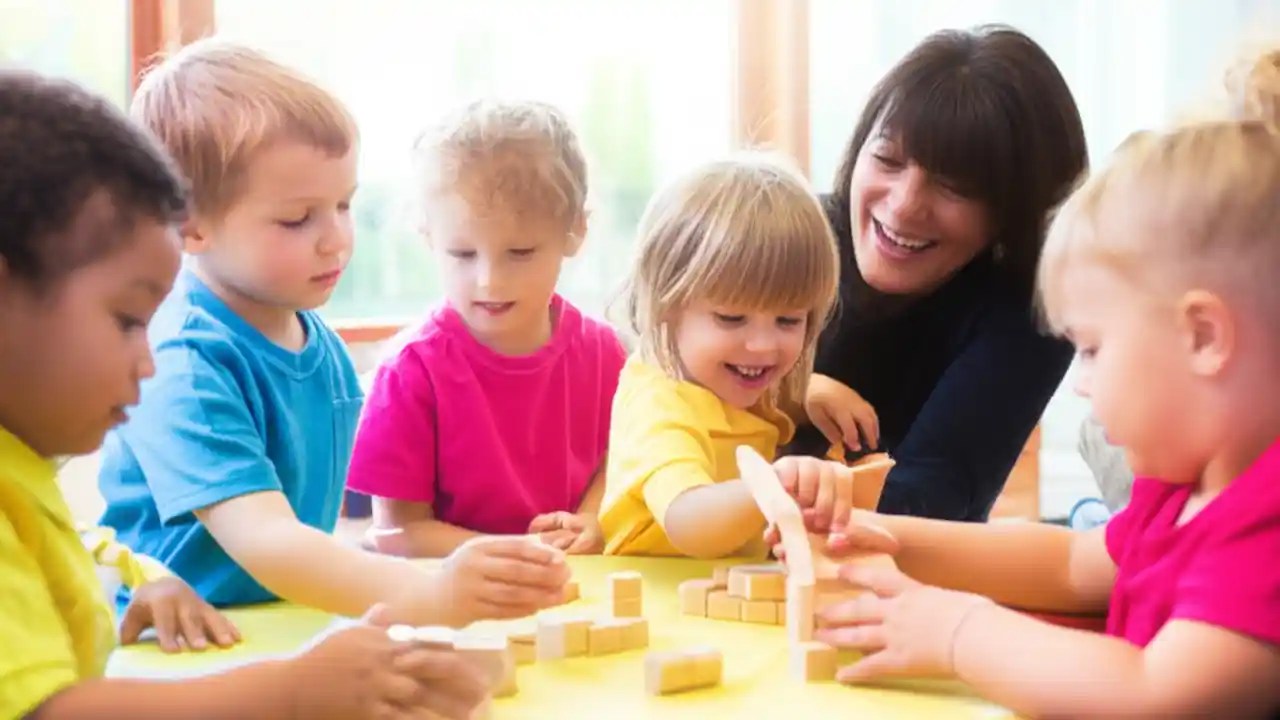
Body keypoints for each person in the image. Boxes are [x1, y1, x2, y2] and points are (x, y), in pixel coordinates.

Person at [791, 48, 1280, 718]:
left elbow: (1159, 692)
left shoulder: (1266, 519)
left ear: (1203, 337)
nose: (1079, 384)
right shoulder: (1181, 495)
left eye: (1093, 349)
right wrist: (883, 534)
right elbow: (1068, 563)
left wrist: (958, 632)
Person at [0, 68, 490, 720]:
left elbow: (70, 554)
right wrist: (291, 694)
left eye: (345, 206)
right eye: (127, 323)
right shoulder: (186, 356)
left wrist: (139, 575)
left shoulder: (24, 476)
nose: (148, 364)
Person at [96, 39, 568, 625]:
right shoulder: (184, 358)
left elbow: (318, 530)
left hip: (280, 619)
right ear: (189, 226)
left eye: (344, 205)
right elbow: (267, 539)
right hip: (177, 638)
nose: (337, 239)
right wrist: (429, 595)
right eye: (298, 219)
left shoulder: (313, 341)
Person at [791, 25, 1088, 520]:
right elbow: (664, 393)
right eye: (887, 159)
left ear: (1014, 212)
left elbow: (924, 508)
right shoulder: (789, 238)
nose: (904, 207)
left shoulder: (1027, 313)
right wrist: (790, 391)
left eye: (954, 187)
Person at [348, 100, 626, 558]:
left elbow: (615, 461)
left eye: (519, 252)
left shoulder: (606, 354)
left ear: (574, 231)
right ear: (429, 238)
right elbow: (398, 532)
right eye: (462, 255)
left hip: (572, 585)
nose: (489, 280)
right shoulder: (410, 371)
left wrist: (592, 519)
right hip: (449, 596)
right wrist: (517, 550)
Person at [600, 154, 864, 559]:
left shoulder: (726, 378)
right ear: (667, 306)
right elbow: (689, 523)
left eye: (788, 320)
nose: (762, 346)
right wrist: (774, 485)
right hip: (656, 603)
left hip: (723, 600)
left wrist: (812, 392)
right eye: (731, 318)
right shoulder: (658, 405)